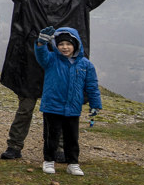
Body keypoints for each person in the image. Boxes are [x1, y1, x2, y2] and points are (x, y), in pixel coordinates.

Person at [0, 0, 144, 160]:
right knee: (25, 108)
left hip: (62, 66)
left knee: (58, 109)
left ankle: (58, 148)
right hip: (32, 63)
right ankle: (14, 146)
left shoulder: (78, 0)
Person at [35, 27, 101, 176]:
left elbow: (92, 86)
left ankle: (73, 163)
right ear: (56, 46)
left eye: (68, 44)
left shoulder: (85, 65)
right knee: (51, 136)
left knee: (72, 137)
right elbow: (41, 55)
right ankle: (49, 161)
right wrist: (41, 43)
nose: (65, 47)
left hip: (73, 107)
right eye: (61, 44)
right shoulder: (51, 59)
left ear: (76, 44)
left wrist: (95, 104)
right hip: (52, 106)